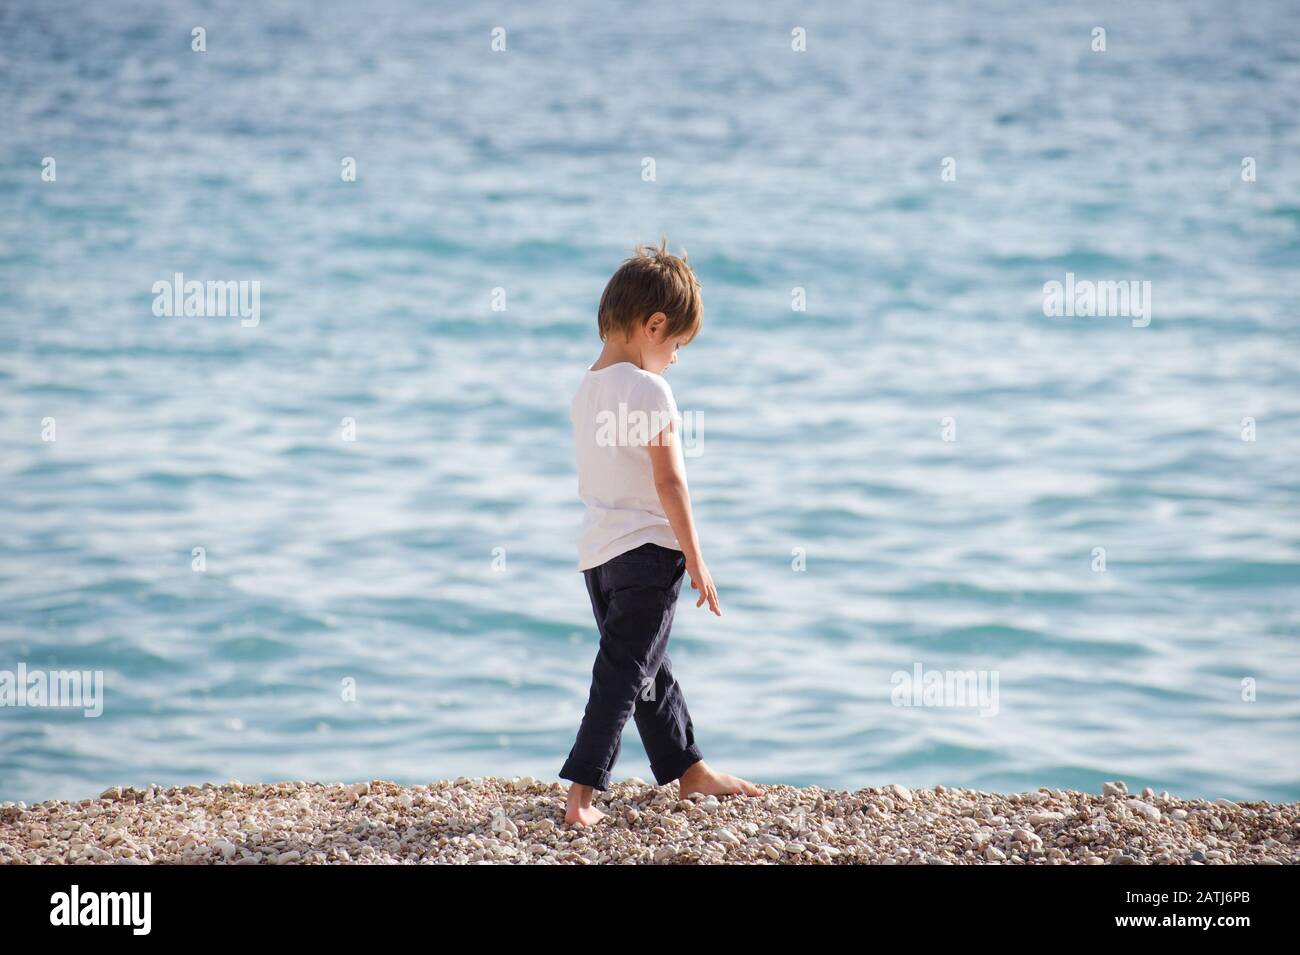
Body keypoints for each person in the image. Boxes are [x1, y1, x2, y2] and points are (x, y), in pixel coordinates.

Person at [559, 238, 763, 826]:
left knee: (646, 665)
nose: (674, 359)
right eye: (676, 345)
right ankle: (581, 796)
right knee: (623, 673)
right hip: (649, 553)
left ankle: (688, 769)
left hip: (598, 557)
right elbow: (670, 483)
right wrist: (696, 558)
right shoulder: (649, 389)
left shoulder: (584, 390)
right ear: (653, 325)